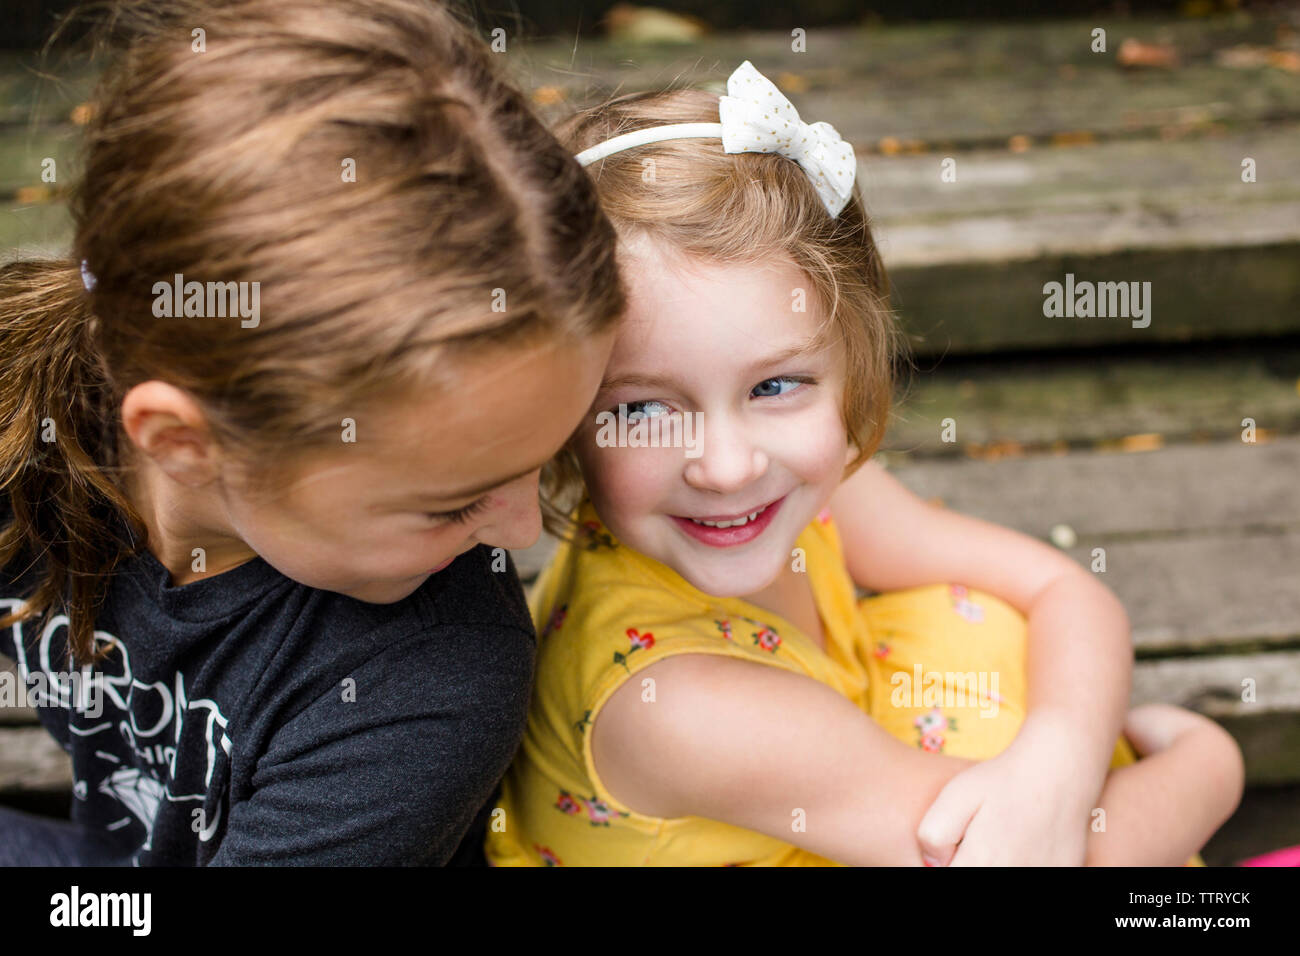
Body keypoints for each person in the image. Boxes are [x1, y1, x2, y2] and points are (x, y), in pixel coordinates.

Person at [485, 62, 1244, 866]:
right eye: (642, 409)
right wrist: (1210, 769)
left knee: (973, 635)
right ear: (565, 414)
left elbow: (1061, 587)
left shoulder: (801, 486)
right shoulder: (677, 707)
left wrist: (1058, 755)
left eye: (775, 386)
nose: (727, 466)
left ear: (856, 365)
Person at [0, 0, 623, 865]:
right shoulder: (23, 401)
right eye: (453, 503)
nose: (524, 532)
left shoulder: (431, 677)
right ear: (183, 441)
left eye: (549, 454)